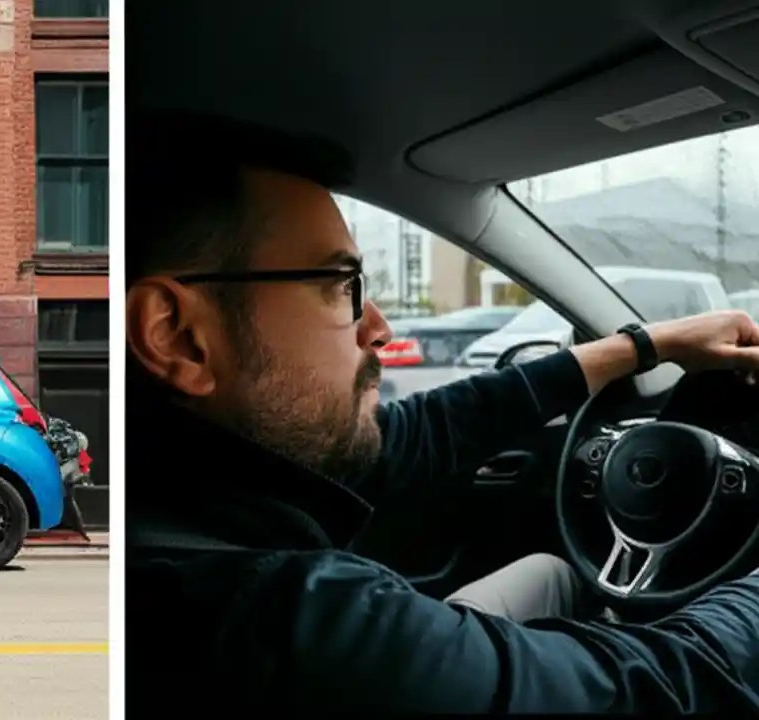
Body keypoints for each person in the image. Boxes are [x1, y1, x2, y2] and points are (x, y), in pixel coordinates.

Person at [124, 112, 759, 714]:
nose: (379, 326)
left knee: (552, 574)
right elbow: (652, 688)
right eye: (340, 285)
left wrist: (650, 346)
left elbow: (426, 432)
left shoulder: (196, 483)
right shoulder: (291, 624)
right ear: (177, 334)